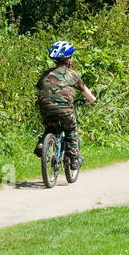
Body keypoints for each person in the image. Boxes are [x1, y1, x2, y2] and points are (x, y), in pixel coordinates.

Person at [34, 41, 97, 171]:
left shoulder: (46, 74)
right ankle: (74, 159)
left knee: (51, 125)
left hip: (45, 106)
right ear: (68, 59)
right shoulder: (73, 75)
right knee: (71, 128)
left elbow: (40, 87)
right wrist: (92, 101)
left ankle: (42, 144)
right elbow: (89, 95)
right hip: (64, 109)